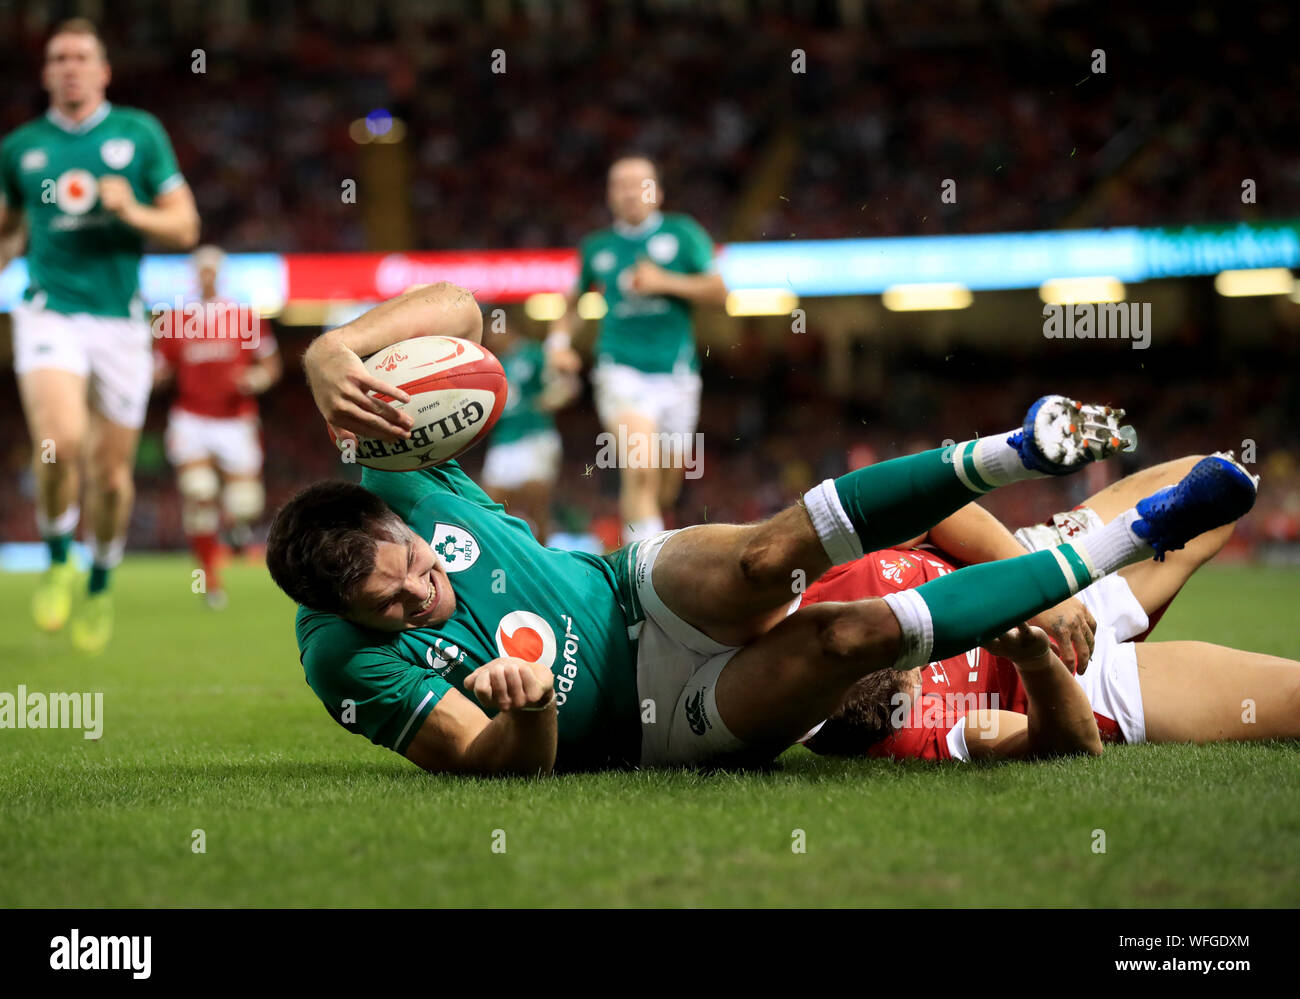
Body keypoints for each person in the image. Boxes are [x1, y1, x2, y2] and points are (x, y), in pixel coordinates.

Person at [265, 282, 1255, 777]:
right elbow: (481, 760)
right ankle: (1115, 543)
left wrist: (333, 348)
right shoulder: (344, 660)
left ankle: (1020, 448)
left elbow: (462, 312)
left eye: (410, 565)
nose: (419, 593)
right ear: (342, 616)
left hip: (629, 590)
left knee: (764, 555)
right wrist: (529, 714)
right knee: (845, 638)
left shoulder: (396, 472)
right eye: (389, 605)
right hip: (661, 723)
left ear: (393, 514)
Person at [799, 457, 1297, 761]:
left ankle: (1094, 552)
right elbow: (1071, 744)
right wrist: (1034, 658)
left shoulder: (821, 584)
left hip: (1038, 566)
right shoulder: (902, 732)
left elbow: (935, 510)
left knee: (1218, 485)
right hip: (1085, 680)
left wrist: (1042, 589)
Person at [0, 18, 200, 652]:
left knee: (111, 479)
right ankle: (59, 556)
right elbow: (8, 229)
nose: (70, 67)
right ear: (46, 73)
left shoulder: (138, 134)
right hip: (48, 312)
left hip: (120, 323)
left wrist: (131, 209)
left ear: (103, 70)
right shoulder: (20, 148)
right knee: (59, 441)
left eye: (81, 57)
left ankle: (100, 581)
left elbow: (186, 228)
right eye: (59, 57)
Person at [546, 155, 727, 545]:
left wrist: (665, 281)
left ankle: (643, 538)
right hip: (620, 368)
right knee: (639, 464)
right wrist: (558, 344)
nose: (630, 192)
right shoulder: (598, 247)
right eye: (620, 185)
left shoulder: (683, 233)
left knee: (664, 486)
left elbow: (718, 291)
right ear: (610, 195)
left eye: (639, 184)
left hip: (677, 374)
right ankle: (646, 566)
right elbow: (573, 302)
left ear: (657, 192)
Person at [154, 245, 281, 608]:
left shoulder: (245, 317)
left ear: (220, 274)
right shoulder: (175, 320)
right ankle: (209, 576)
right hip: (191, 416)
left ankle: (236, 529)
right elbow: (161, 370)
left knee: (244, 503)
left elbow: (270, 366)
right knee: (199, 491)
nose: (206, 276)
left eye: (212, 269)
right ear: (195, 275)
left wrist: (256, 379)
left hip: (235, 418)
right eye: (201, 270)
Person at [478, 325, 578, 543]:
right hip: (503, 440)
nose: (490, 339)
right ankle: (505, 553)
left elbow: (568, 384)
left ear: (508, 328)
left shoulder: (533, 353)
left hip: (534, 435)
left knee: (537, 506)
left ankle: (543, 554)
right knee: (491, 505)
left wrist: (550, 399)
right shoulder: (493, 364)